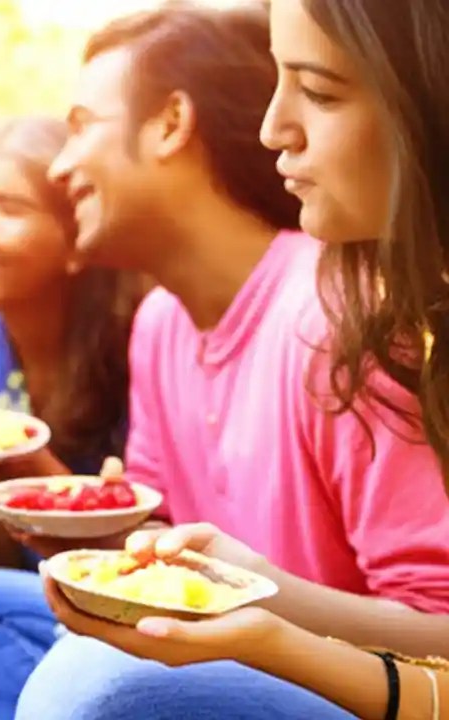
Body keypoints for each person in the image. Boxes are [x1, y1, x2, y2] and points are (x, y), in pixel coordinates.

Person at [41, 1, 449, 718]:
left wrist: (269, 621)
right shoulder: (161, 321)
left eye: (318, 91)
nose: (272, 131)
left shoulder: (348, 315)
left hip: (360, 670)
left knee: (93, 683)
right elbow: (157, 530)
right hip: (314, 654)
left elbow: (433, 641)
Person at [0, 116, 143, 720]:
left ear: (74, 243)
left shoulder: (138, 346)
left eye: (7, 208)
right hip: (38, 603)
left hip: (131, 607)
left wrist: (28, 466)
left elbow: (136, 560)